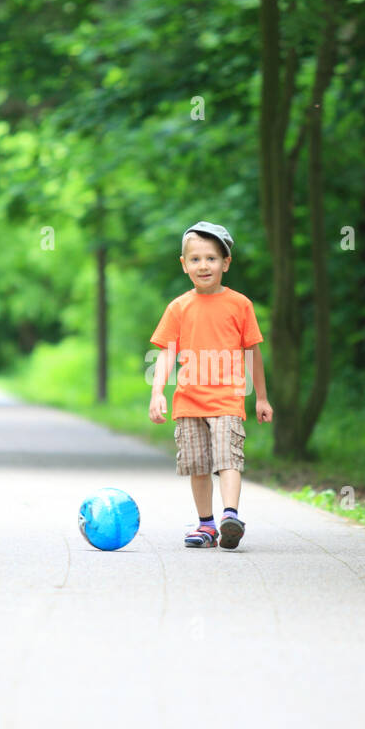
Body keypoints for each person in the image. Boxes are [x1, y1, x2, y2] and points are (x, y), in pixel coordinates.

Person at [149, 220, 273, 550]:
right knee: (198, 464)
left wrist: (261, 397)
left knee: (228, 458)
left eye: (212, 258)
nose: (203, 265)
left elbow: (253, 353)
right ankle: (206, 525)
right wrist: (157, 392)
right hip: (188, 401)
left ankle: (230, 516)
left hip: (227, 399)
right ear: (184, 264)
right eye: (196, 259)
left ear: (226, 263)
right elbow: (165, 354)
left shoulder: (240, 305)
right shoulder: (178, 307)